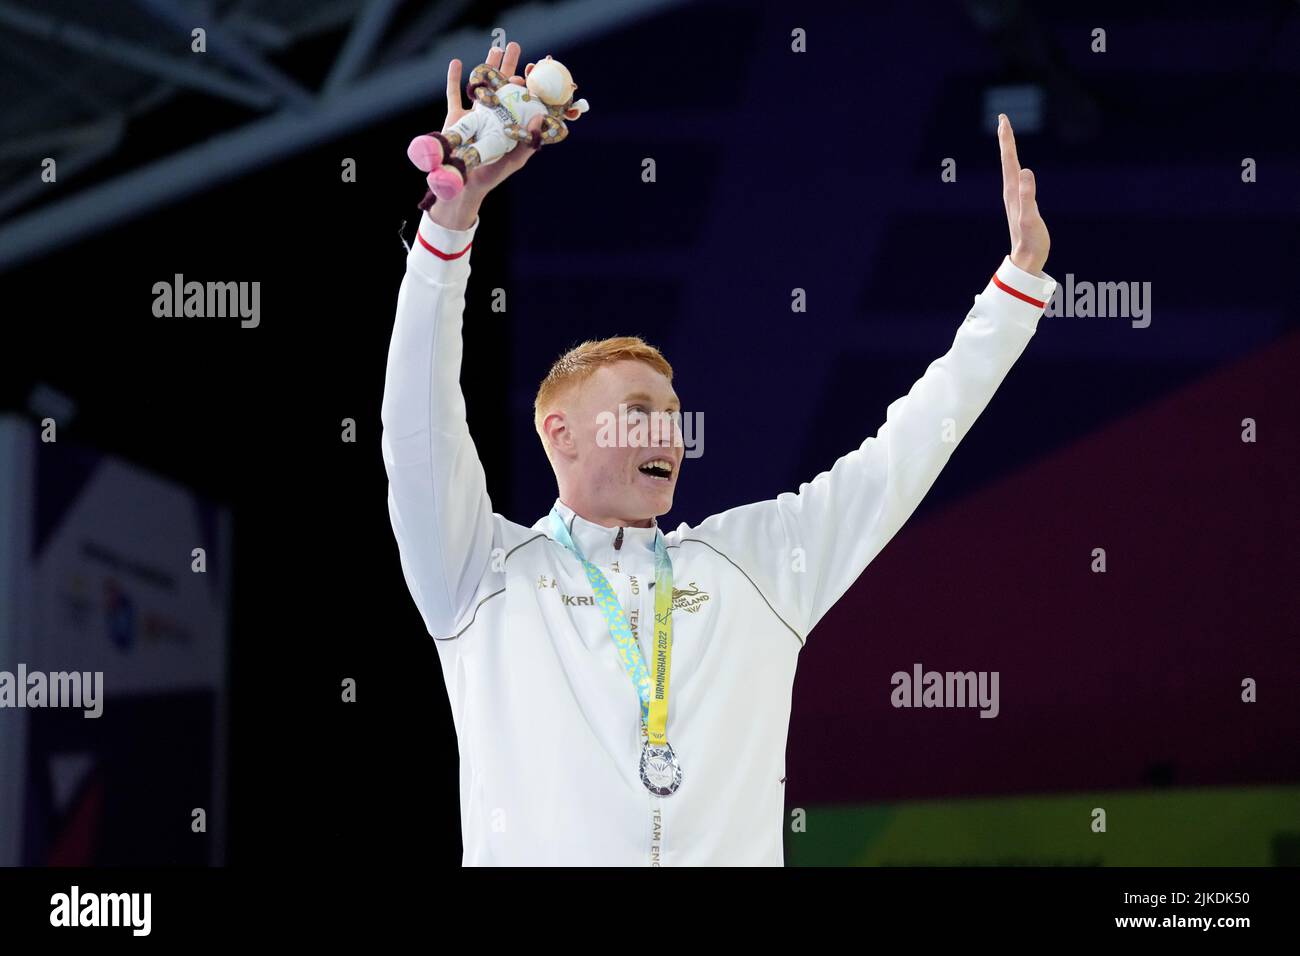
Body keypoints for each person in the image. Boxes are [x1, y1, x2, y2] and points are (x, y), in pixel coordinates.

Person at [380, 41, 1056, 865]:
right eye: (638, 412)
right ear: (557, 433)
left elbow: (899, 456)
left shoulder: (755, 566)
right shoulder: (478, 574)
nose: (668, 433)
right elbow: (419, 428)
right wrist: (448, 233)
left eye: (672, 414)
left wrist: (1013, 296)